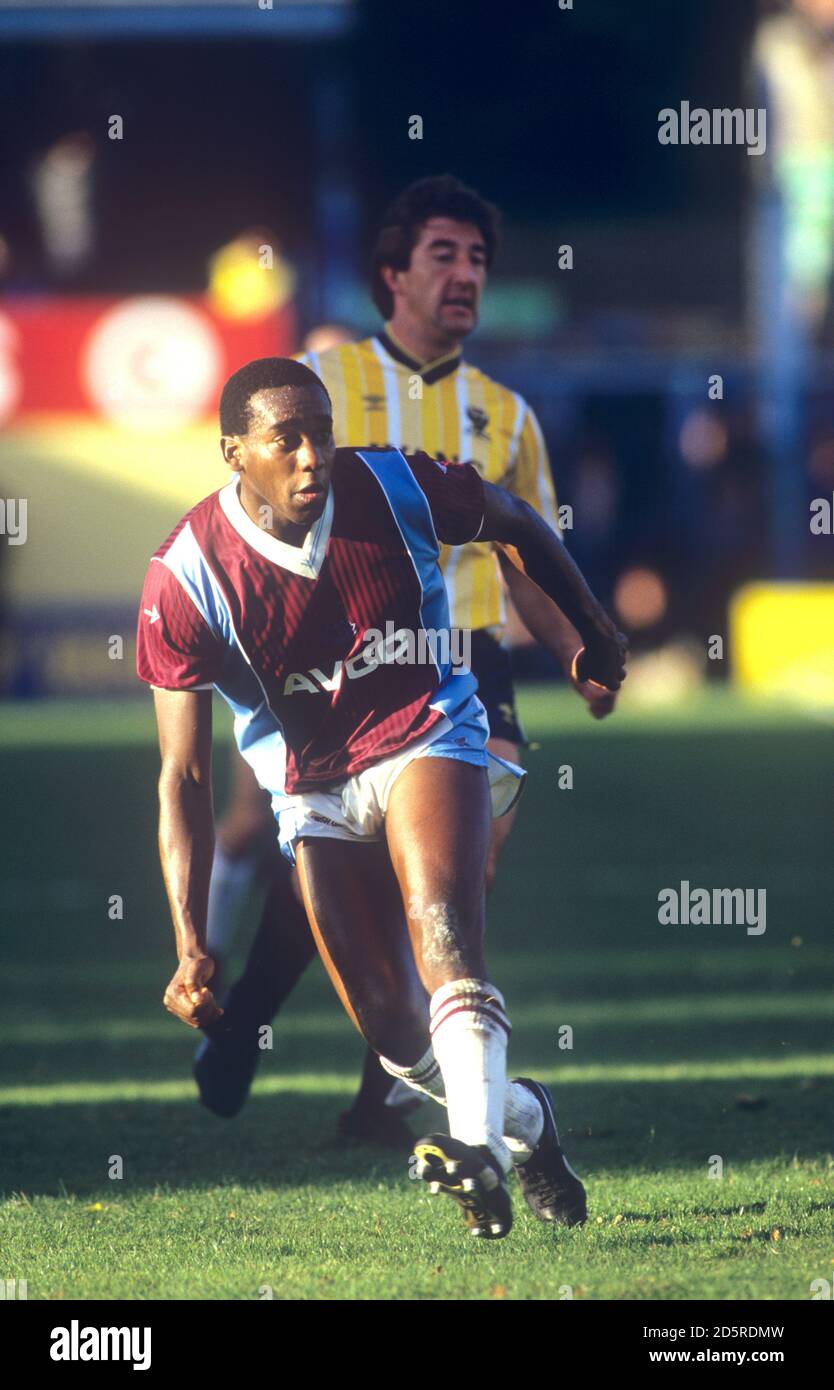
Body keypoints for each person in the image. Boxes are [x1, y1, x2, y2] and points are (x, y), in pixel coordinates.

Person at [137, 356, 626, 1237]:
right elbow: (184, 776)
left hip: (428, 729)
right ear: (232, 452)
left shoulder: (394, 480)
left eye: (321, 432)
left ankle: (472, 1152)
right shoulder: (184, 578)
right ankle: (525, 1122)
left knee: (443, 926)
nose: (312, 456)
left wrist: (592, 631)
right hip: (312, 791)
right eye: (285, 438)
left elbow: (513, 519)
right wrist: (190, 943)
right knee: (400, 1038)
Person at [198, 176, 617, 1141]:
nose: (465, 274)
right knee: (335, 873)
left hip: (468, 663)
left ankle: (388, 1090)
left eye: (477, 260)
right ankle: (250, 1017)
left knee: (451, 878)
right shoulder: (319, 381)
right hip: (342, 652)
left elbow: (525, 562)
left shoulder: (505, 414)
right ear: (392, 273)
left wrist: (578, 648)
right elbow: (248, 515)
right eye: (443, 255)